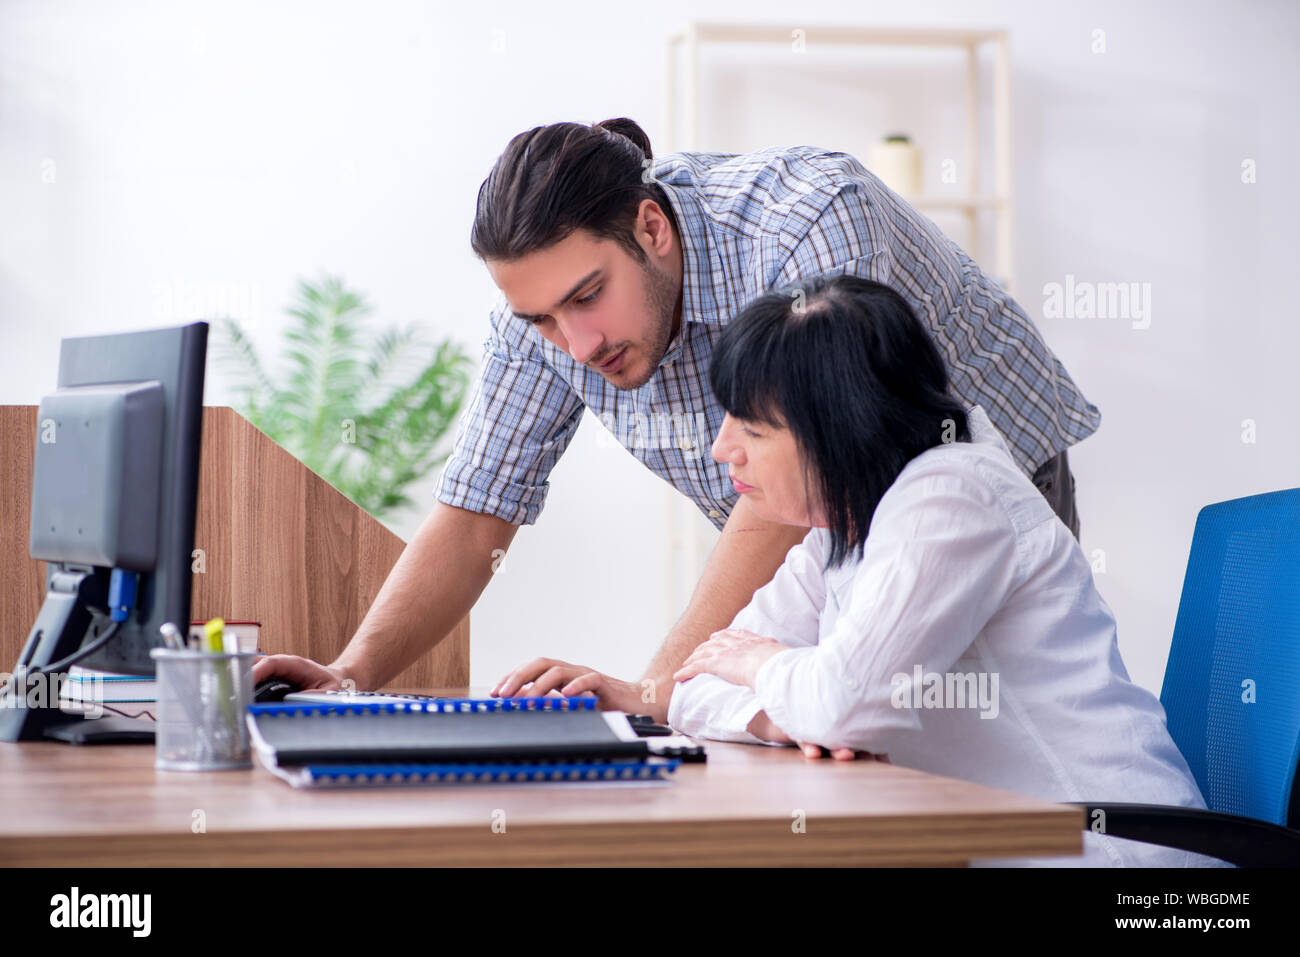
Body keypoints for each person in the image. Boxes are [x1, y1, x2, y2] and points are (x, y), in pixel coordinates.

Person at [254, 117, 1100, 732]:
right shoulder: (548, 324)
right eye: (543, 319)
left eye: (587, 297)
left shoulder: (803, 220)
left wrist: (653, 693)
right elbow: (477, 516)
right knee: (820, 731)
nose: (574, 344)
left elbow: (802, 459)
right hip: (818, 526)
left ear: (650, 227)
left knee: (958, 739)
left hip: (972, 476)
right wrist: (349, 675)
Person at [667, 273, 1224, 867]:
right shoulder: (843, 526)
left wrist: (760, 663)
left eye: (752, 428)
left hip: (1110, 859)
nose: (722, 449)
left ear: (839, 430)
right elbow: (692, 689)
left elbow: (842, 704)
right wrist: (782, 716)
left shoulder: (952, 497)